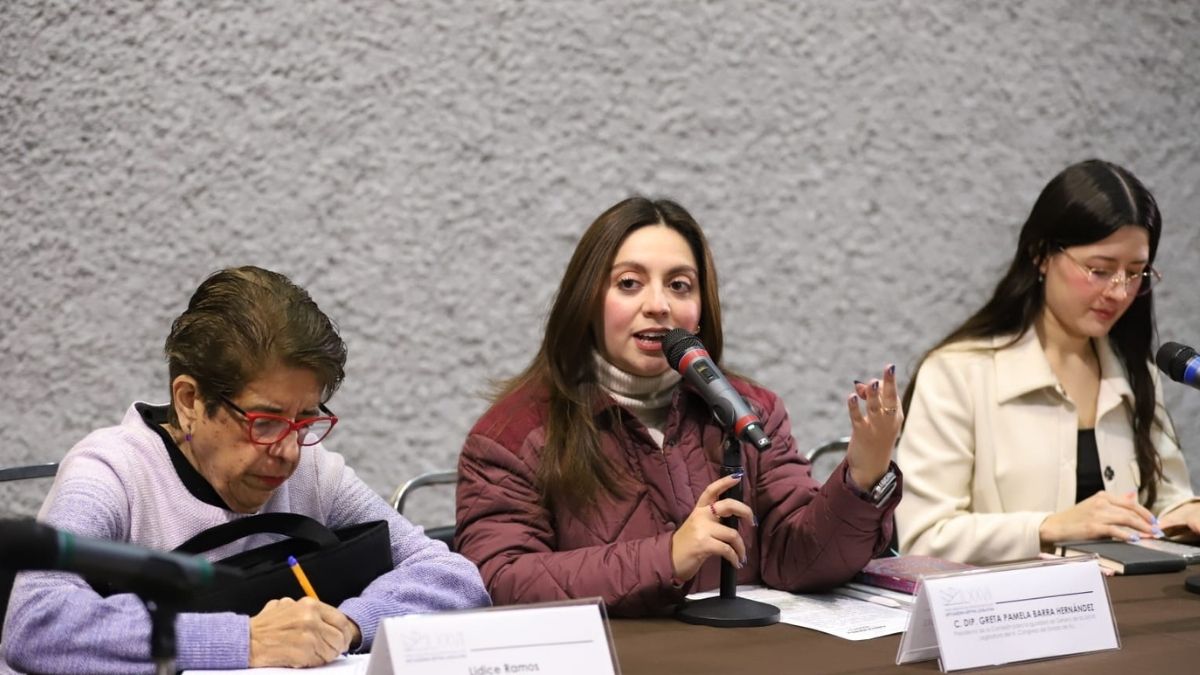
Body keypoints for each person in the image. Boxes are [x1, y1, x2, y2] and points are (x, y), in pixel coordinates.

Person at [2, 267, 489, 674]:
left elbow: (452, 576)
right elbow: (36, 621)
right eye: (265, 422)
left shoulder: (314, 473)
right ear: (190, 401)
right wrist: (246, 640)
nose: (289, 452)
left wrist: (346, 625)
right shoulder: (112, 472)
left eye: (304, 421)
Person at [454, 197, 902, 616]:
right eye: (629, 284)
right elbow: (499, 580)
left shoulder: (750, 410)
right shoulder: (512, 436)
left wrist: (864, 475)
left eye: (679, 286)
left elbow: (801, 560)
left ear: (701, 309)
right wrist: (668, 556)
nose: (658, 305)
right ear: (587, 300)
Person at [896, 159, 1200, 564]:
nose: (1119, 291)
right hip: (1006, 602)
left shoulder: (1135, 370)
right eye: (1099, 270)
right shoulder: (956, 373)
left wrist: (1184, 515)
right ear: (1041, 255)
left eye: (1136, 273)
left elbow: (1163, 502)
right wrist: (1048, 527)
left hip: (1129, 601)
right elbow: (923, 538)